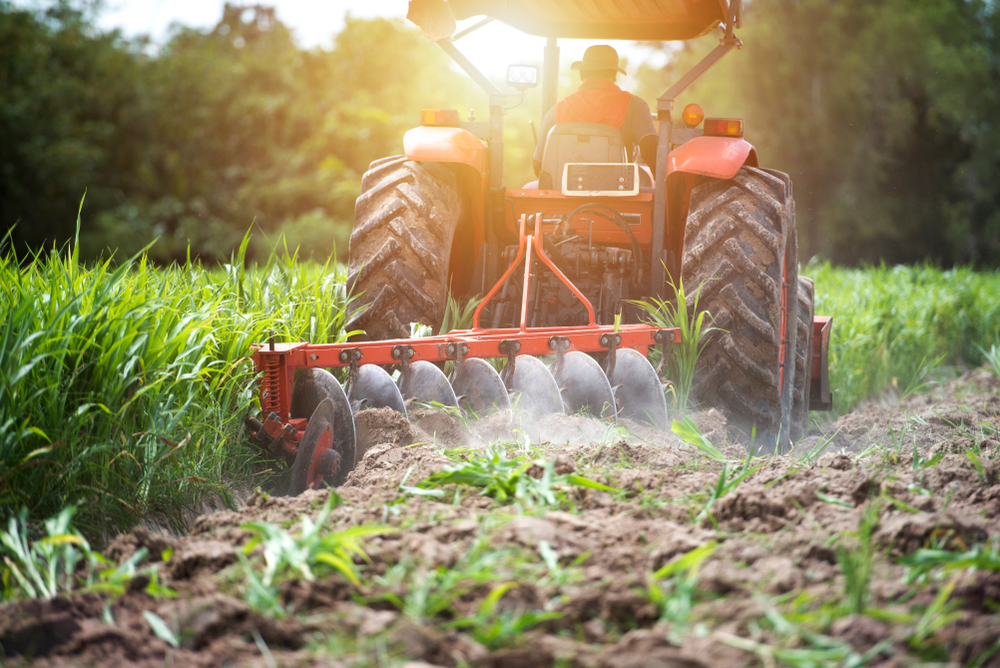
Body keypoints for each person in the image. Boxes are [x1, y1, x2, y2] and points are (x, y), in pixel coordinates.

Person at [532, 45, 658, 179]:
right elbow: (651, 150)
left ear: (582, 74)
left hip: (562, 195)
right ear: (615, 75)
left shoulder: (556, 111)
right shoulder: (634, 106)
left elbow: (538, 166)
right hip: (617, 194)